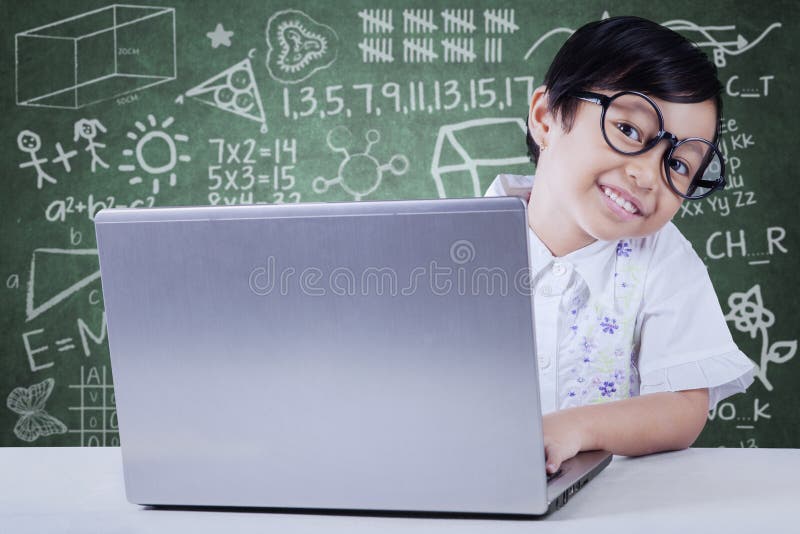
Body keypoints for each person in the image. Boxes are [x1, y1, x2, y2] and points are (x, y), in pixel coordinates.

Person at [484, 16, 756, 475]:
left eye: (679, 165)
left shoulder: (662, 258)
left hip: (611, 503)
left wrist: (573, 429)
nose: (649, 176)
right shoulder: (458, 243)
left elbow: (682, 408)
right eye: (629, 131)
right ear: (545, 118)